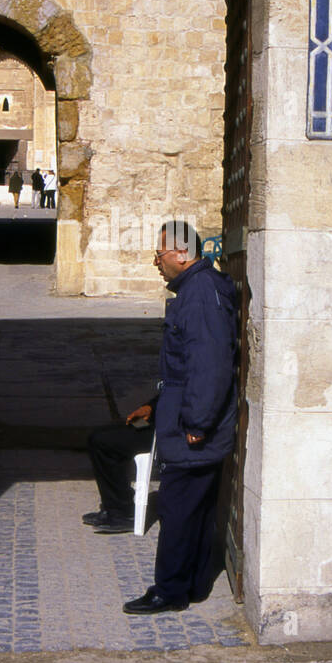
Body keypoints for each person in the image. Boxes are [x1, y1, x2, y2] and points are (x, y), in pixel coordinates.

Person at [87, 221, 238, 613]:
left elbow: (210, 367)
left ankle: (169, 591)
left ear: (183, 254)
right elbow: (183, 367)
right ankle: (193, 584)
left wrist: (197, 424)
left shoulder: (201, 296)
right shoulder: (195, 292)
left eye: (160, 255)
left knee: (178, 507)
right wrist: (155, 405)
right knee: (194, 507)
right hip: (182, 418)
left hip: (193, 426)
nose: (156, 263)